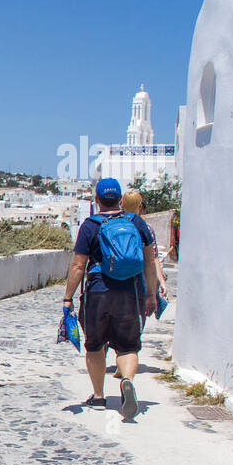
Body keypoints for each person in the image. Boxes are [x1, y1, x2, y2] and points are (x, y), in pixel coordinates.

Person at [62, 176, 158, 418]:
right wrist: (150, 294)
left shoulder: (90, 226)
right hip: (130, 291)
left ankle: (98, 397)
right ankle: (126, 380)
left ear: (96, 200)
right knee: (127, 346)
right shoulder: (136, 222)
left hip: (98, 292)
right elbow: (149, 262)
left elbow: (77, 266)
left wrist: (67, 297)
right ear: (120, 200)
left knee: (95, 345)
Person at [121, 190, 169, 328]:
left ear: (122, 204)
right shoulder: (145, 228)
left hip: (117, 281)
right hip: (139, 282)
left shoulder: (113, 224)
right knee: (136, 327)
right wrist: (157, 287)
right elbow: (152, 260)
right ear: (140, 206)